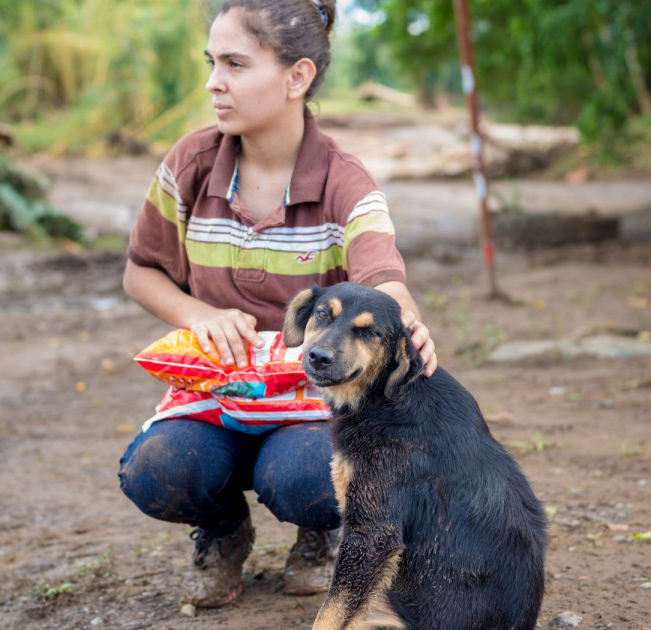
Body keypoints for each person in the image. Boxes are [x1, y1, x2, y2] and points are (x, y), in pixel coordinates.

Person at [117, 0, 437, 609]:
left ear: (298, 78)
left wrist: (405, 313)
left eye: (236, 64)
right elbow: (141, 272)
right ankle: (221, 530)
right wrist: (199, 315)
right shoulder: (189, 164)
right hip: (214, 395)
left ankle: (319, 532)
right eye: (212, 62)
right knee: (157, 472)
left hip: (314, 406)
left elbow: (381, 271)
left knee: (308, 480)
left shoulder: (346, 181)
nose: (214, 81)